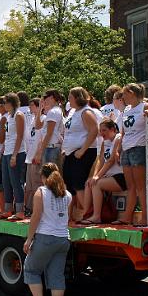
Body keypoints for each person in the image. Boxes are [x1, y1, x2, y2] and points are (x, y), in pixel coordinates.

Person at [23, 163, 72, 296]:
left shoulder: (41, 192)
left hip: (45, 237)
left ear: (44, 177)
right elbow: (67, 217)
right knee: (57, 276)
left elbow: (36, 216)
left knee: (31, 269)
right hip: (63, 238)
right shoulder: (67, 195)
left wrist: (29, 239)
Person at [79, 119, 125, 225]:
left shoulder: (118, 138)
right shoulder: (105, 142)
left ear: (112, 129)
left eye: (104, 130)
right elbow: (100, 160)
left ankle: (96, 216)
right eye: (100, 130)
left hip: (121, 176)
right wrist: (95, 175)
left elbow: (111, 161)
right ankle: (86, 214)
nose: (101, 133)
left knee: (96, 184)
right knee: (89, 182)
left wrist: (97, 177)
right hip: (109, 177)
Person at [61, 87, 98, 217]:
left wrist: (82, 150)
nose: (68, 100)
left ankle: (87, 213)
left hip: (83, 152)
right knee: (69, 183)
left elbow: (94, 130)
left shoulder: (86, 112)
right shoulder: (72, 112)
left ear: (78, 98)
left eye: (70, 97)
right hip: (70, 153)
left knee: (78, 183)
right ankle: (69, 215)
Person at [116, 83, 148, 225]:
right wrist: (119, 148)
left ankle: (145, 217)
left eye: (124, 93)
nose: (122, 97)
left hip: (138, 147)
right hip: (127, 148)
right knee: (131, 186)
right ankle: (127, 217)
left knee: (140, 186)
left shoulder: (145, 106)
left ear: (131, 93)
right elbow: (123, 131)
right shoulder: (126, 109)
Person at [0, 93, 27, 219]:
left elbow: (20, 136)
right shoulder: (8, 116)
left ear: (12, 103)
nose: (4, 105)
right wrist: (1, 153)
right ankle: (8, 209)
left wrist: (14, 155)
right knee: (6, 181)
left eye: (5, 102)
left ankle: (20, 210)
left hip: (17, 152)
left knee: (16, 181)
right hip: (7, 152)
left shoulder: (19, 115)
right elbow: (7, 137)